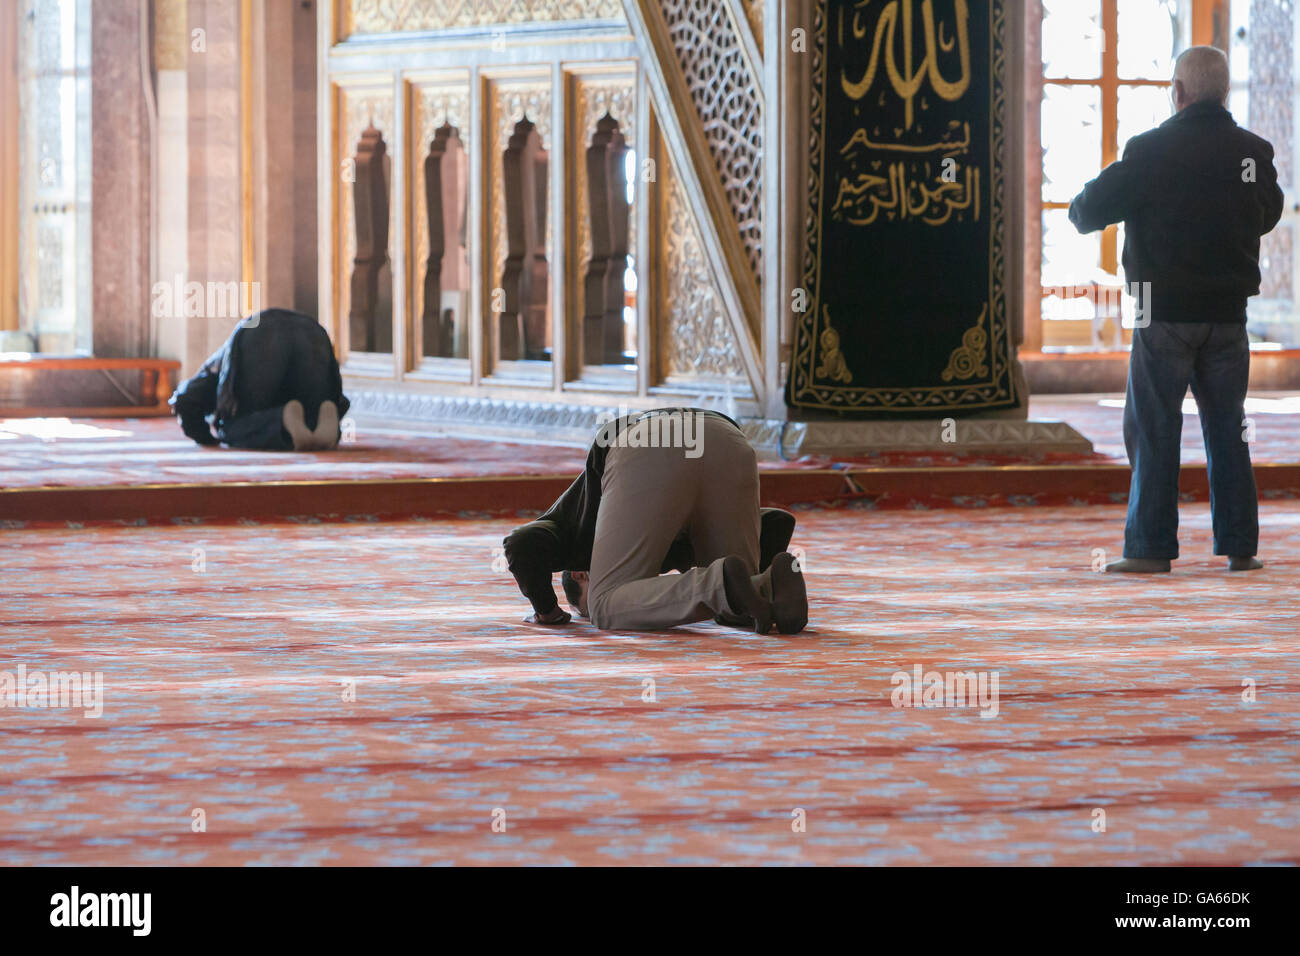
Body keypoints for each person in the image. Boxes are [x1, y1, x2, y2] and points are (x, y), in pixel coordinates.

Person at [1068, 46, 1284, 573]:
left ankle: (1149, 549)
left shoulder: (1150, 150)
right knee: (1228, 428)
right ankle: (1240, 547)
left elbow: (1087, 213)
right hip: (1227, 313)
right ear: (1224, 92)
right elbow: (1270, 210)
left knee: (1153, 425)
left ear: (1179, 92)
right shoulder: (1251, 152)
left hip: (1157, 308)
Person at [504, 408, 807, 633]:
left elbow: (520, 543)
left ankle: (718, 584)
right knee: (737, 604)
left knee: (606, 605)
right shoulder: (652, 542)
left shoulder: (570, 537)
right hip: (726, 437)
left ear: (580, 573)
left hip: (647, 445)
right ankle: (768, 588)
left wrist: (546, 610)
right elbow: (777, 521)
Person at [170, 308, 350, 451]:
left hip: (259, 331)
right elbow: (335, 387)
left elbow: (185, 399)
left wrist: (205, 438)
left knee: (231, 428)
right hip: (312, 331)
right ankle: (320, 423)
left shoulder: (218, 361)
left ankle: (281, 422)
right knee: (308, 414)